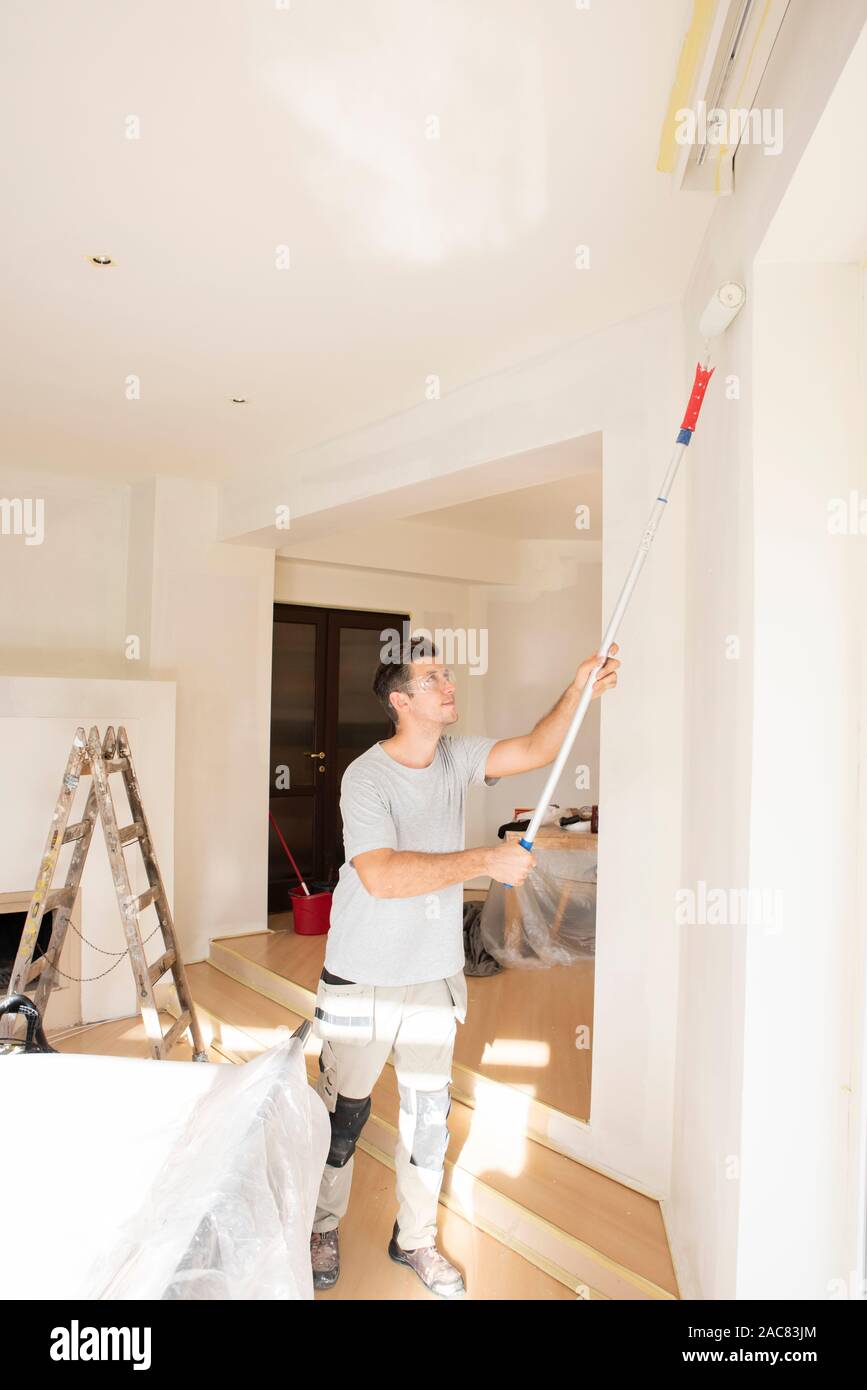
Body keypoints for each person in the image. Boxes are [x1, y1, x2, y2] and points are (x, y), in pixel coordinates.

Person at [309, 634, 620, 1298]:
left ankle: (413, 1238)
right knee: (344, 1113)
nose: (450, 685)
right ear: (401, 701)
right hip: (362, 975)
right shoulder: (365, 777)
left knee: (427, 1115)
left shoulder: (456, 756)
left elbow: (536, 749)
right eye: (434, 679)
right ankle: (320, 1224)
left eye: (448, 674)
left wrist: (579, 688)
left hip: (433, 972)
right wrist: (484, 860)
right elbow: (383, 878)